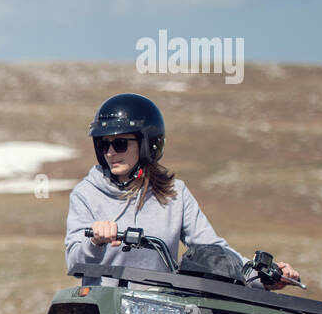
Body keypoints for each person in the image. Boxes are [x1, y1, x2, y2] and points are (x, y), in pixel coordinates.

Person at [65, 93, 300, 289]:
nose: (110, 153)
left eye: (119, 144)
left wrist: (263, 277)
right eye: (104, 145)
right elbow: (74, 263)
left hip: (160, 313)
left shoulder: (174, 193)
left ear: (148, 144)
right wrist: (95, 243)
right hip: (103, 311)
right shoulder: (86, 194)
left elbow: (212, 249)